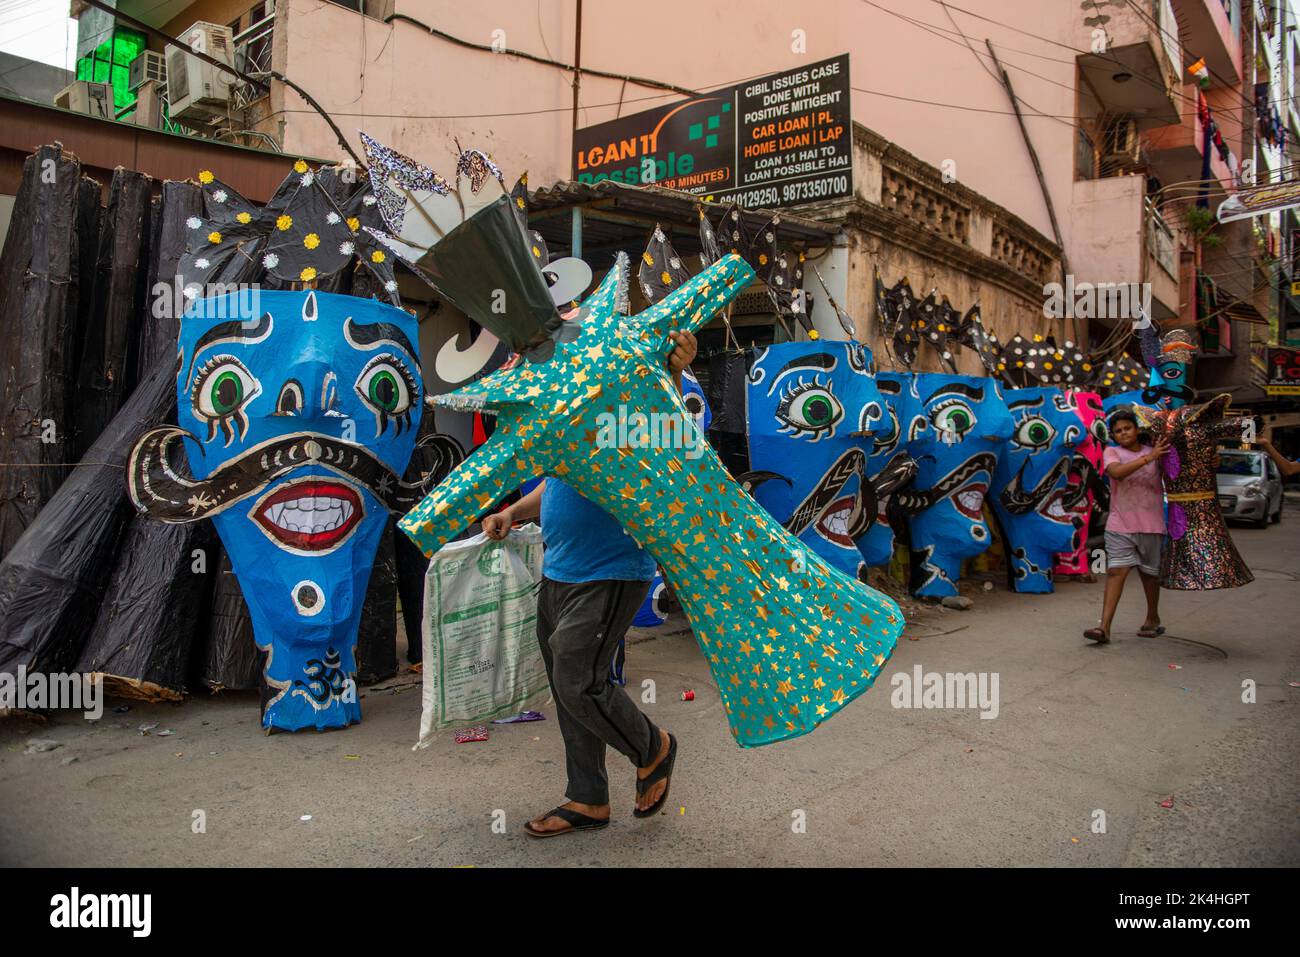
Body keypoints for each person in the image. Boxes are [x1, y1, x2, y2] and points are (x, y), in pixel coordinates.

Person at [482, 327, 697, 838]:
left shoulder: (632, 414)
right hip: (559, 570)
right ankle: (587, 799)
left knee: (580, 680)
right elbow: (556, 486)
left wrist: (675, 369)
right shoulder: (573, 411)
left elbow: (667, 429)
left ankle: (653, 747)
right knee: (568, 687)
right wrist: (513, 510)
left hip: (611, 570)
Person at [1084, 407, 1170, 644]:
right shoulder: (1113, 452)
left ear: (1136, 429)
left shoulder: (1156, 451)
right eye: (1118, 430)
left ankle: (1152, 618)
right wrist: (1148, 459)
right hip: (1120, 523)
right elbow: (1117, 473)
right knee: (1115, 572)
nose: (1123, 433)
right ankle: (1104, 628)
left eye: (1127, 428)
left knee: (1150, 575)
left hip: (1151, 524)